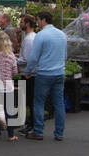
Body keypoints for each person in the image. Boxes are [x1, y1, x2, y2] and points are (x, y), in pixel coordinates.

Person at [25, 11, 66, 141]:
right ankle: (59, 133)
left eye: (38, 20)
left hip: (44, 73)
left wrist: (28, 71)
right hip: (59, 73)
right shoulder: (62, 34)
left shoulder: (41, 35)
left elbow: (34, 57)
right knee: (59, 104)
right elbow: (65, 56)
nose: (37, 23)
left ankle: (38, 131)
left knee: (39, 102)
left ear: (43, 20)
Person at [17, 14, 38, 134]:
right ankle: (31, 123)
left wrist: (15, 60)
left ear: (27, 24)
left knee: (29, 100)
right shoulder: (32, 37)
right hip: (31, 73)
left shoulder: (29, 39)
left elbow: (27, 59)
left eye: (22, 22)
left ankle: (31, 125)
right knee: (30, 100)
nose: (20, 24)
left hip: (28, 74)